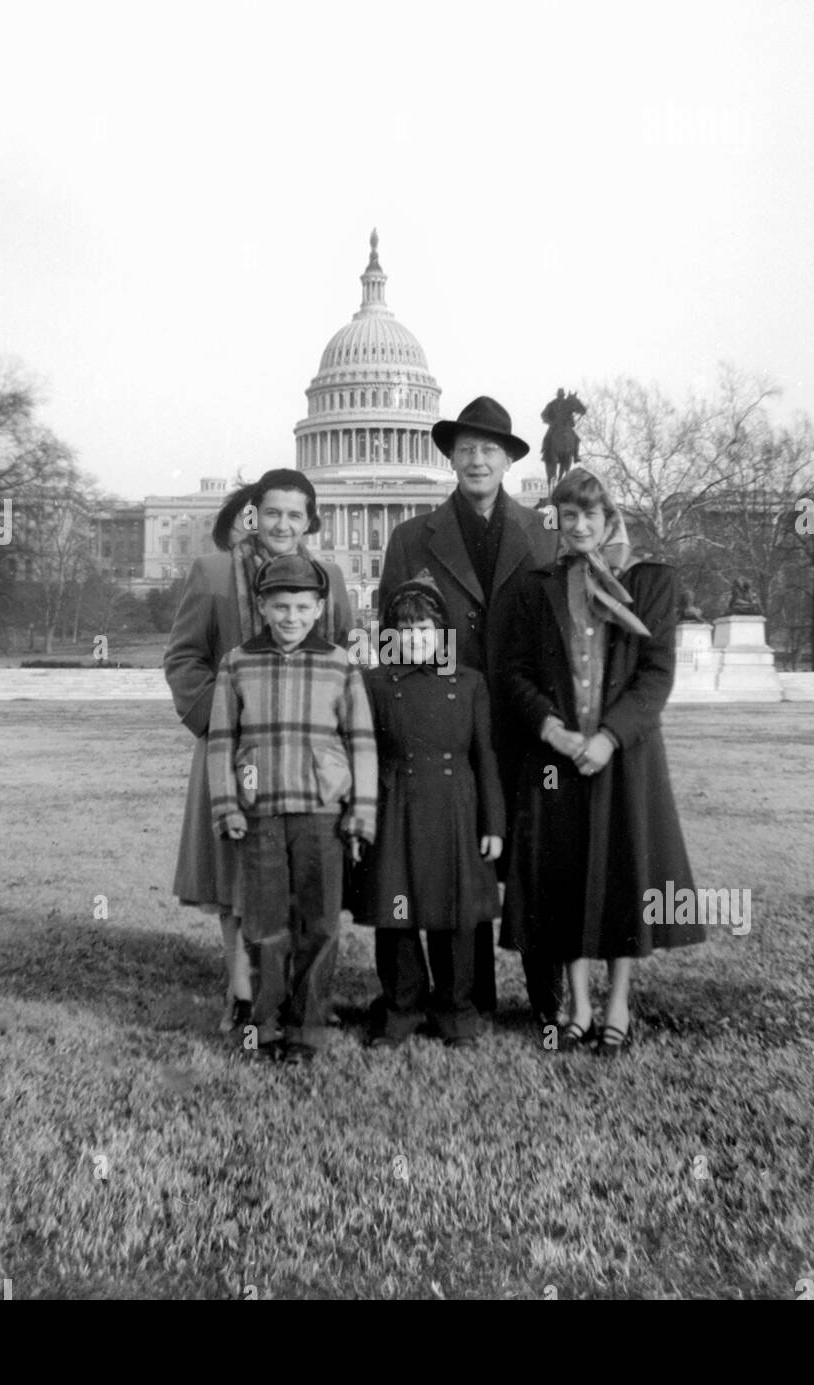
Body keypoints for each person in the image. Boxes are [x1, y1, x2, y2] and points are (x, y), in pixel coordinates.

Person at [499, 468, 704, 1055]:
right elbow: (515, 673)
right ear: (558, 522)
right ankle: (580, 1003)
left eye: (591, 514)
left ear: (611, 517)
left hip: (623, 756)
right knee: (565, 879)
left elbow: (656, 673)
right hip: (559, 757)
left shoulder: (650, 582)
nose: (580, 525)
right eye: (569, 516)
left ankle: (618, 1001)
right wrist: (553, 730)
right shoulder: (541, 586)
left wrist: (610, 737)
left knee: (622, 877)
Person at [378, 396, 558, 1024]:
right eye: (466, 449)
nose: (477, 460)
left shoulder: (544, 534)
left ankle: (547, 998)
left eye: (490, 449)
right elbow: (391, 638)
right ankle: (461, 996)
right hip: (448, 725)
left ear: (508, 461)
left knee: (532, 859)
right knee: (454, 853)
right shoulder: (410, 539)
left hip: (528, 722)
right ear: (451, 459)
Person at [163, 469, 352, 1035]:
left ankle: (297, 994)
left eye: (296, 515)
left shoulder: (330, 577)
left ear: (309, 520)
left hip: (305, 754)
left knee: (298, 875)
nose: (283, 525)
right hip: (234, 750)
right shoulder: (215, 573)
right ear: (253, 513)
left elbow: (340, 655)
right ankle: (242, 989)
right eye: (273, 513)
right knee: (233, 877)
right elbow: (183, 658)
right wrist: (218, 722)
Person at [207, 553, 376, 1064]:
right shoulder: (237, 662)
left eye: (303, 607)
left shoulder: (339, 663)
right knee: (264, 924)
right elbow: (221, 739)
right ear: (262, 606)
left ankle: (307, 1028)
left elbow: (361, 740)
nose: (291, 618)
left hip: (322, 812)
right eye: (281, 607)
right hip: (260, 812)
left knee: (320, 924)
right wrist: (228, 804)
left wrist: (360, 811)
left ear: (320, 606)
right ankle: (265, 1025)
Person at [360, 571, 504, 1049]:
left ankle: (456, 1012)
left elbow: (484, 756)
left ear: (442, 632)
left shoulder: (468, 683)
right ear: (390, 634)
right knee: (395, 914)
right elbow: (364, 752)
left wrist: (493, 823)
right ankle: (401, 1009)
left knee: (454, 915)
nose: (415, 638)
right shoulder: (375, 683)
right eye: (404, 628)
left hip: (456, 809)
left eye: (424, 628)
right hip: (395, 803)